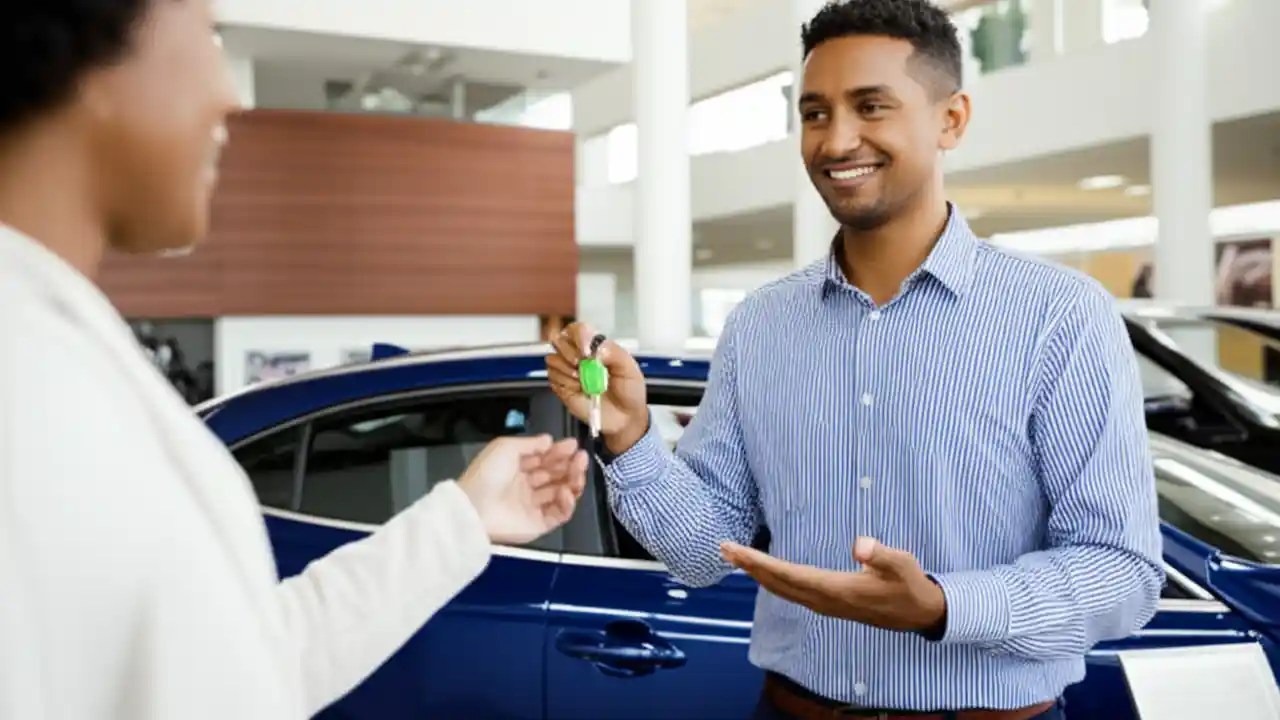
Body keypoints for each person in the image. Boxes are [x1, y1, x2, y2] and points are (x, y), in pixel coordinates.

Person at [546, 1, 1162, 718]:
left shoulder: (1059, 316)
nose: (836, 140)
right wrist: (628, 434)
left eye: (871, 106)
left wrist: (941, 605)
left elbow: (1121, 571)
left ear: (951, 119)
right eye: (814, 113)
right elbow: (702, 553)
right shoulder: (760, 327)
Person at [0, 1, 587, 718]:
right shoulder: (26, 387)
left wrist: (465, 517)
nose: (231, 94)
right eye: (204, 33)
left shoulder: (59, 351)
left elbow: (246, 668)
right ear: (87, 51)